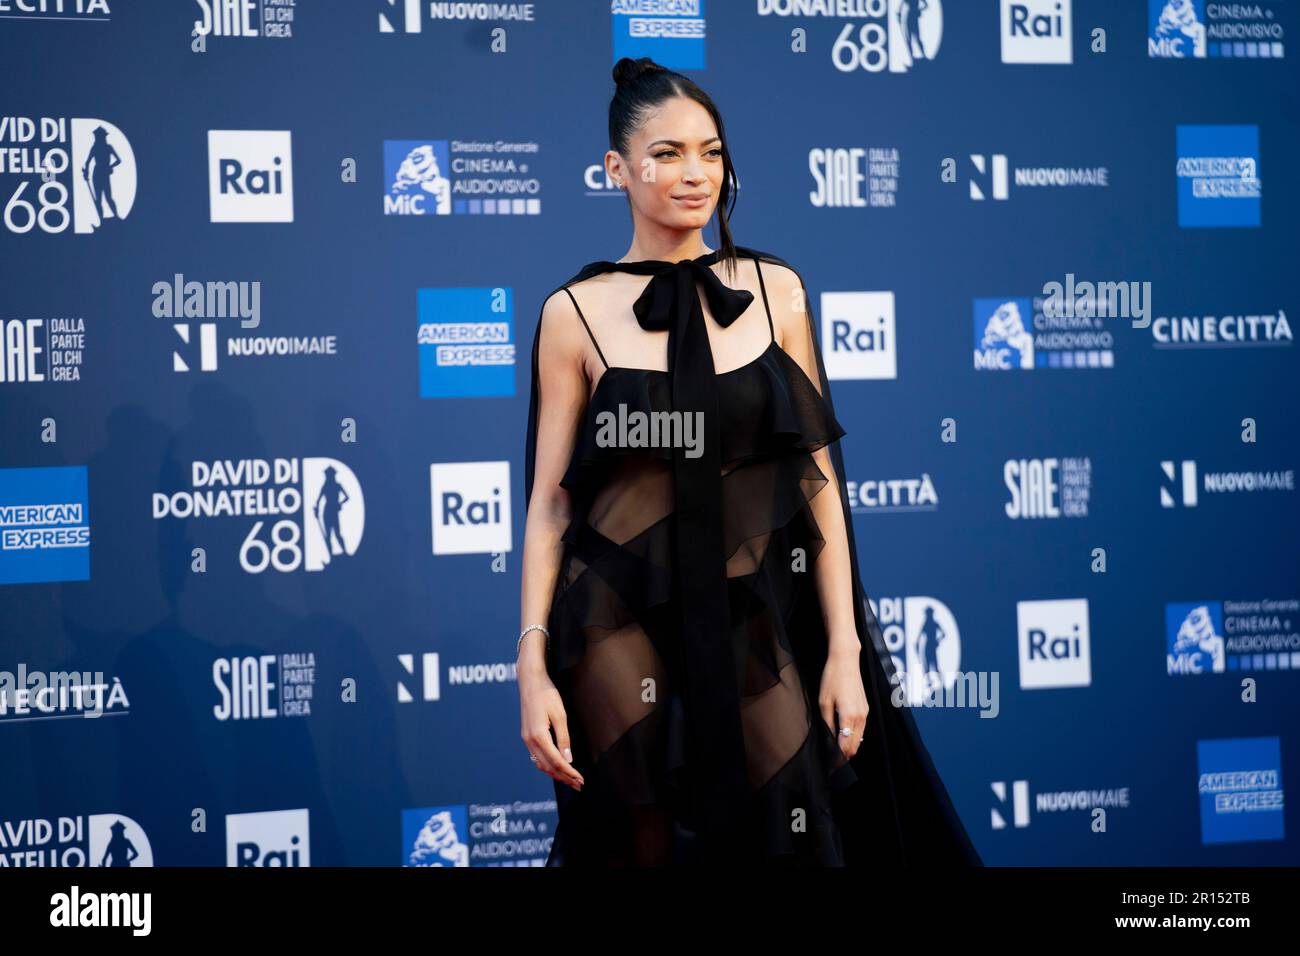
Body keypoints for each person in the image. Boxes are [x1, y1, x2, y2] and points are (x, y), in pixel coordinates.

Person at [517, 56, 982, 866]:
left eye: (711, 151)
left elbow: (822, 488)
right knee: (643, 846)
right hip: (615, 626)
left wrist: (845, 648)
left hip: (758, 618)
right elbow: (553, 506)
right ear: (615, 170)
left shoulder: (778, 293)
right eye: (666, 154)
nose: (695, 174)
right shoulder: (573, 314)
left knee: (795, 835)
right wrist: (531, 664)